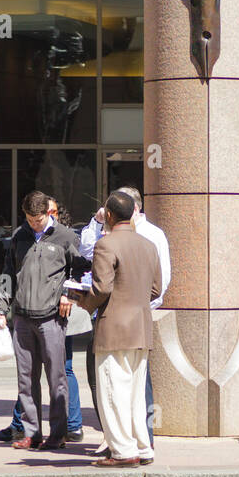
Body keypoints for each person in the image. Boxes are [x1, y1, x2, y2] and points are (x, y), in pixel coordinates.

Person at [81, 186, 170, 454]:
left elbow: (102, 288)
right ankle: (143, 446)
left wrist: (82, 302)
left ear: (108, 214)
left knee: (112, 390)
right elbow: (156, 289)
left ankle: (122, 450)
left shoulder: (106, 244)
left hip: (113, 327)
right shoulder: (148, 243)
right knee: (134, 394)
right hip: (141, 327)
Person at [0, 195, 85, 444]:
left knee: (57, 378)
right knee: (26, 379)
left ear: (49, 213)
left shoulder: (65, 236)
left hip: (52, 317)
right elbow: (8, 273)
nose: (35, 224)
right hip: (22, 317)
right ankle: (31, 433)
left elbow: (81, 268)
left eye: (39, 219)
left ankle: (58, 434)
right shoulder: (19, 237)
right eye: (30, 219)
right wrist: (1, 308)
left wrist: (69, 294)